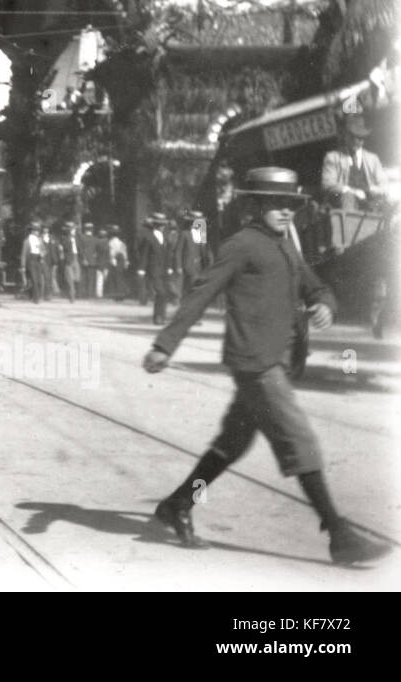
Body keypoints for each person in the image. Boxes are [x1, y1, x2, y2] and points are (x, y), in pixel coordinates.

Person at [144, 167, 391, 566]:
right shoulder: (241, 245)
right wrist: (165, 344)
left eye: (291, 205)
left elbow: (317, 286)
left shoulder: (285, 246)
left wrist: (325, 304)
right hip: (256, 364)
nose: (285, 211)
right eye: (276, 204)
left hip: (277, 360)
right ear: (255, 205)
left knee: (231, 445)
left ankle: (177, 504)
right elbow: (200, 292)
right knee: (300, 440)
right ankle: (339, 535)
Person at [321, 115, 385, 211]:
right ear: (346, 136)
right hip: (344, 205)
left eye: (360, 138)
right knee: (348, 197)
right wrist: (352, 191)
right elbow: (327, 183)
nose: (356, 141)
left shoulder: (373, 159)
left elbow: (384, 186)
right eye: (353, 137)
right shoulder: (333, 157)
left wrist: (369, 190)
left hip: (369, 203)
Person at [136, 212, 173, 325]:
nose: (162, 226)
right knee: (160, 293)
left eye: (163, 224)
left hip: (164, 270)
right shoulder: (149, 237)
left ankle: (161, 316)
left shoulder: (165, 237)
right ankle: (157, 317)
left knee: (164, 293)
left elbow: (168, 254)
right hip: (153, 269)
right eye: (160, 224)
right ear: (155, 225)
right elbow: (144, 254)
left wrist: (170, 267)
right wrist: (141, 269)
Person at [174, 210, 210, 297]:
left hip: (200, 265)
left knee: (196, 285)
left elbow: (204, 251)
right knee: (191, 284)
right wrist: (179, 266)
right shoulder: (185, 234)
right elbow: (178, 251)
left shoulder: (202, 235)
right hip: (188, 264)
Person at [21, 222, 45, 304]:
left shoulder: (40, 240)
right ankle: (36, 298)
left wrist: (42, 253)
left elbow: (43, 250)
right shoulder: (27, 241)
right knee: (34, 279)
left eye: (38, 230)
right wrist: (23, 266)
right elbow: (24, 254)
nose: (37, 232)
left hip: (38, 260)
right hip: (31, 260)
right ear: (31, 231)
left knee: (39, 280)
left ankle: (34, 295)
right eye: (35, 230)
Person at [54, 223, 79, 302]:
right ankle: (72, 296)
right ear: (69, 230)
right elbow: (64, 247)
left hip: (76, 258)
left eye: (74, 229)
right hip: (69, 260)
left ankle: (71, 292)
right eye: (73, 229)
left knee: (77, 278)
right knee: (70, 279)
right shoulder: (65, 239)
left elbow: (80, 247)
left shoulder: (77, 238)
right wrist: (70, 239)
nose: (75, 230)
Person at [106, 225, 128, 300]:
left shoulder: (110, 242)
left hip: (115, 259)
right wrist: (126, 261)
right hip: (121, 260)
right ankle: (121, 294)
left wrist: (112, 259)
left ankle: (117, 294)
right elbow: (124, 253)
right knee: (120, 276)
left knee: (115, 277)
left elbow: (111, 253)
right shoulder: (122, 243)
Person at [78, 222, 97, 298]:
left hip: (84, 260)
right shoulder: (95, 238)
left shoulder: (81, 237)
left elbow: (80, 249)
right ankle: (90, 294)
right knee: (91, 278)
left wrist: (83, 258)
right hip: (92, 261)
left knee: (83, 278)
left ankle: (82, 293)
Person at [93, 227, 110, 299]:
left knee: (99, 279)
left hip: (99, 263)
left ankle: (99, 294)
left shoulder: (97, 242)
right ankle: (106, 292)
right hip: (106, 263)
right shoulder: (108, 243)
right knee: (106, 279)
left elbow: (95, 253)